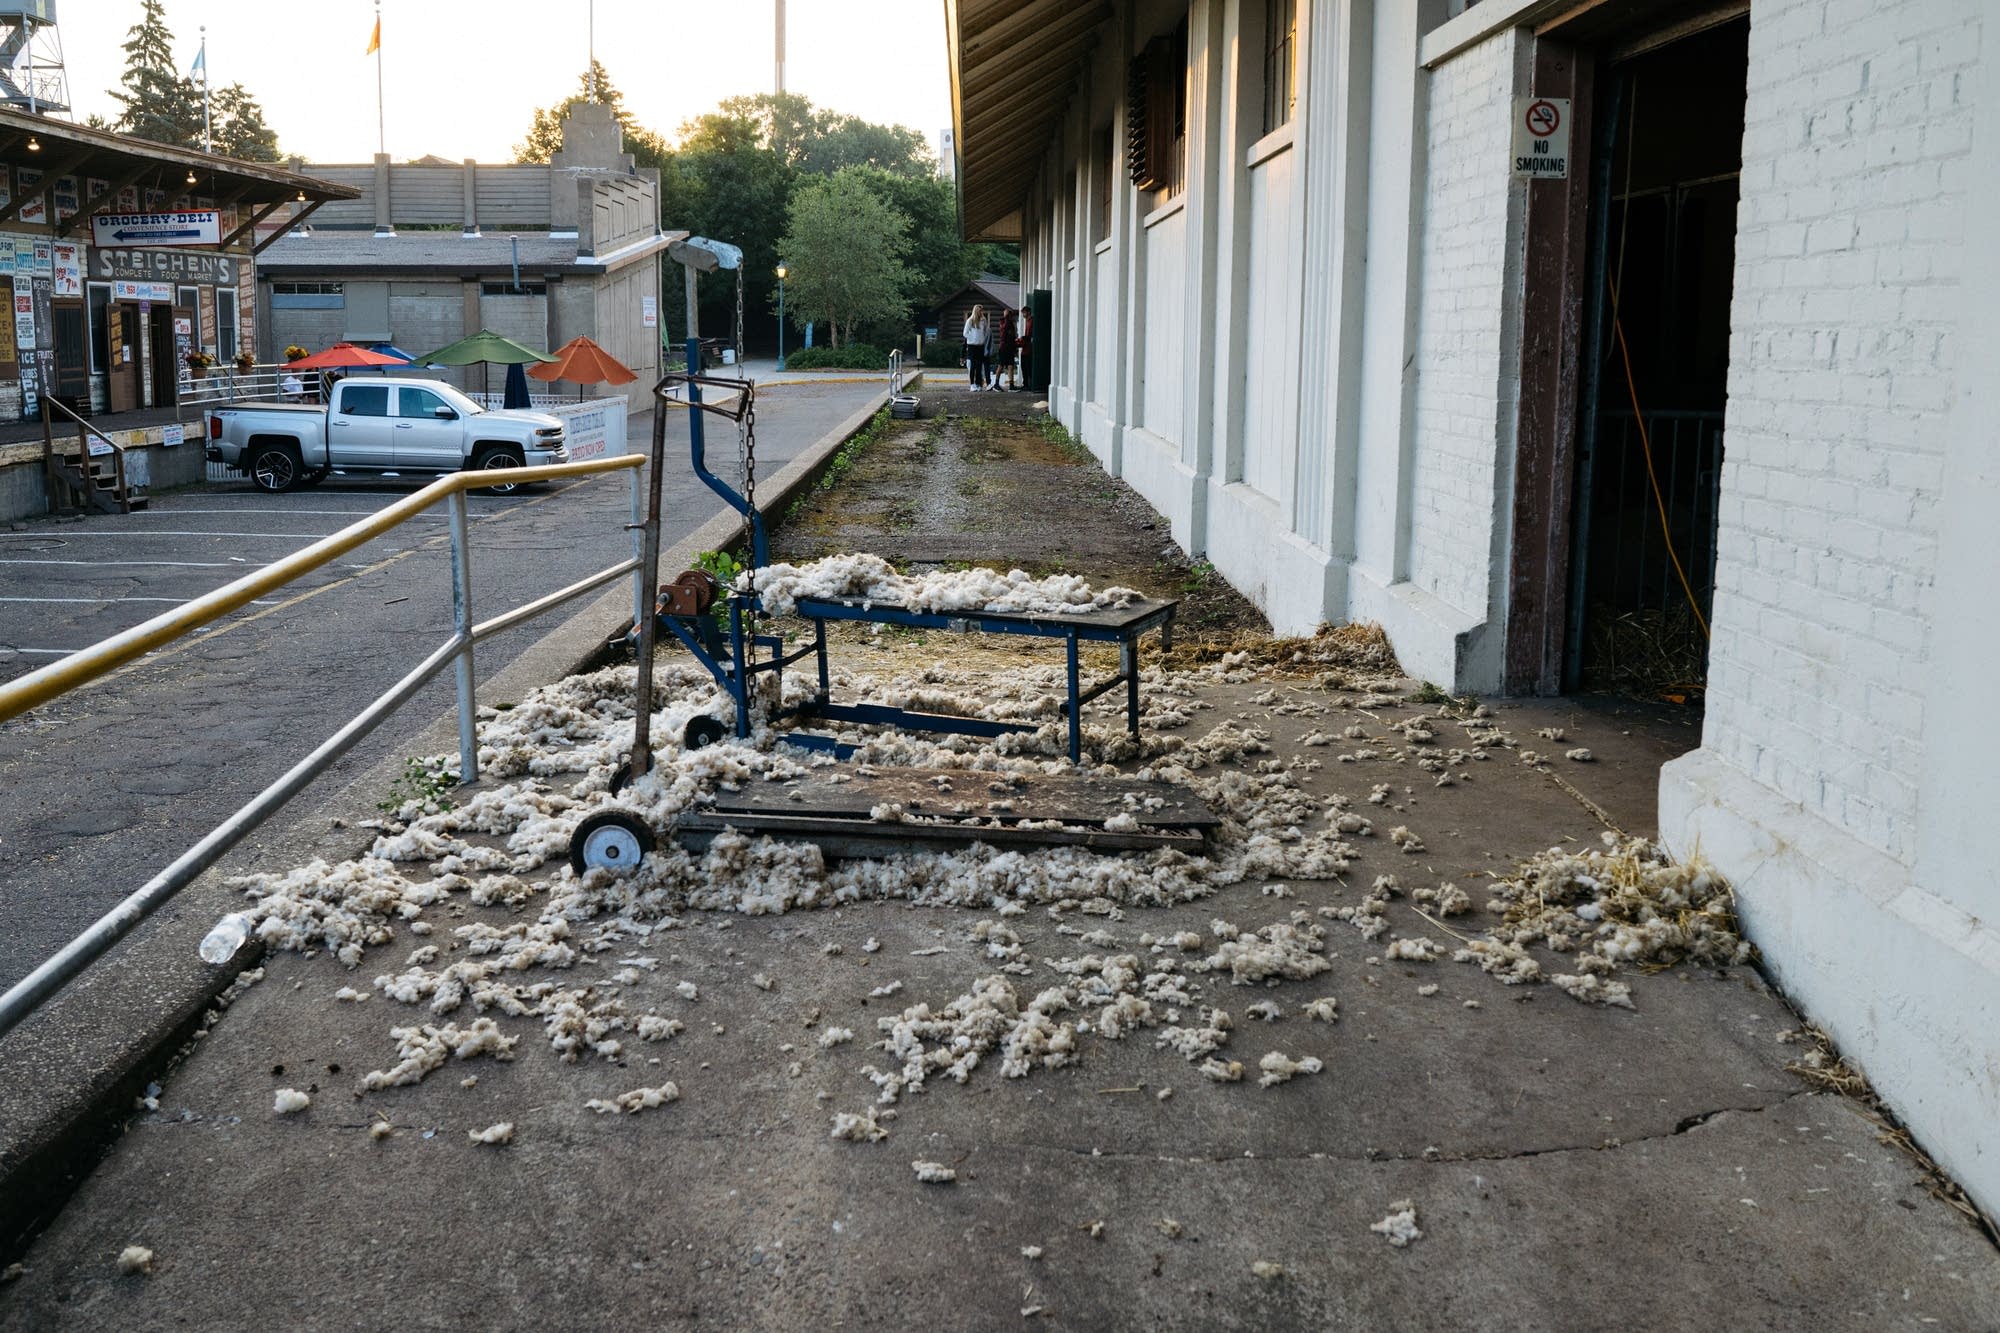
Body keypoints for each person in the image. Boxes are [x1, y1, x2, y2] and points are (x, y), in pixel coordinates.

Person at [963, 303, 990, 391]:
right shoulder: (970, 321)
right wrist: (973, 339)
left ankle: (978, 384)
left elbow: (986, 331)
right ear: (976, 311)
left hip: (980, 346)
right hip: (972, 346)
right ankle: (972, 384)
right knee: (973, 366)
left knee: (979, 366)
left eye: (981, 310)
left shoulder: (983, 320)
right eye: (979, 310)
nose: (981, 312)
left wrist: (982, 339)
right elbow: (965, 333)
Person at [994, 307, 1018, 390]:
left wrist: (1015, 347)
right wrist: (1006, 319)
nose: (1010, 317)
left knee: (1011, 366)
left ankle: (1011, 385)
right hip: (1003, 348)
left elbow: (1013, 336)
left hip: (1010, 348)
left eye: (1010, 315)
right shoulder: (1002, 322)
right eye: (1008, 315)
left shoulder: (1011, 324)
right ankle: (996, 384)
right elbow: (1003, 333)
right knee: (1001, 365)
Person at [1014, 307, 1034, 392]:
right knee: (1024, 367)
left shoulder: (1031, 321)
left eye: (1024, 313)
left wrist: (1020, 340)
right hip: (1026, 347)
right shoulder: (1028, 321)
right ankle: (1026, 383)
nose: (1023, 315)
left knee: (1027, 367)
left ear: (1028, 312)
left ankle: (1028, 384)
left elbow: (1029, 336)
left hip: (1028, 347)